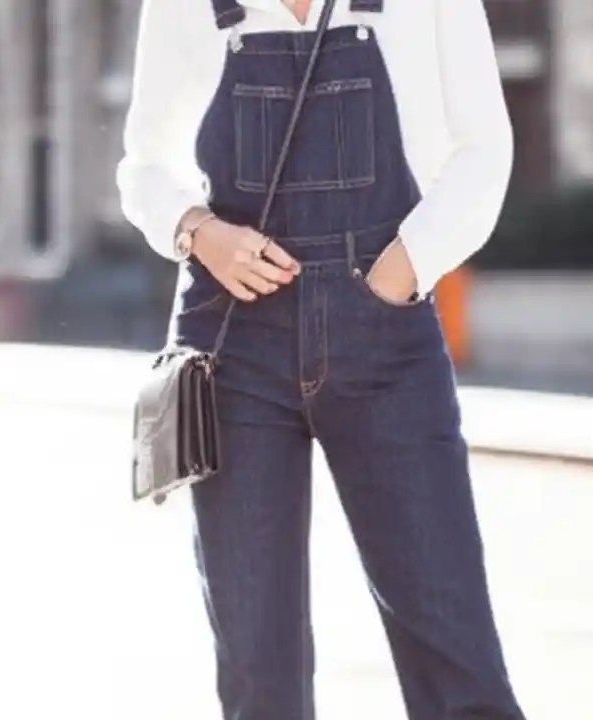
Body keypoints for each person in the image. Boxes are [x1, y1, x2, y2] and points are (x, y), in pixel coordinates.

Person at [116, 1, 524, 718]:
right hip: (232, 342)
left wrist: (404, 265)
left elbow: (484, 147)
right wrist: (197, 230)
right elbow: (145, 164)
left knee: (456, 656)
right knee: (257, 673)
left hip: (386, 336)